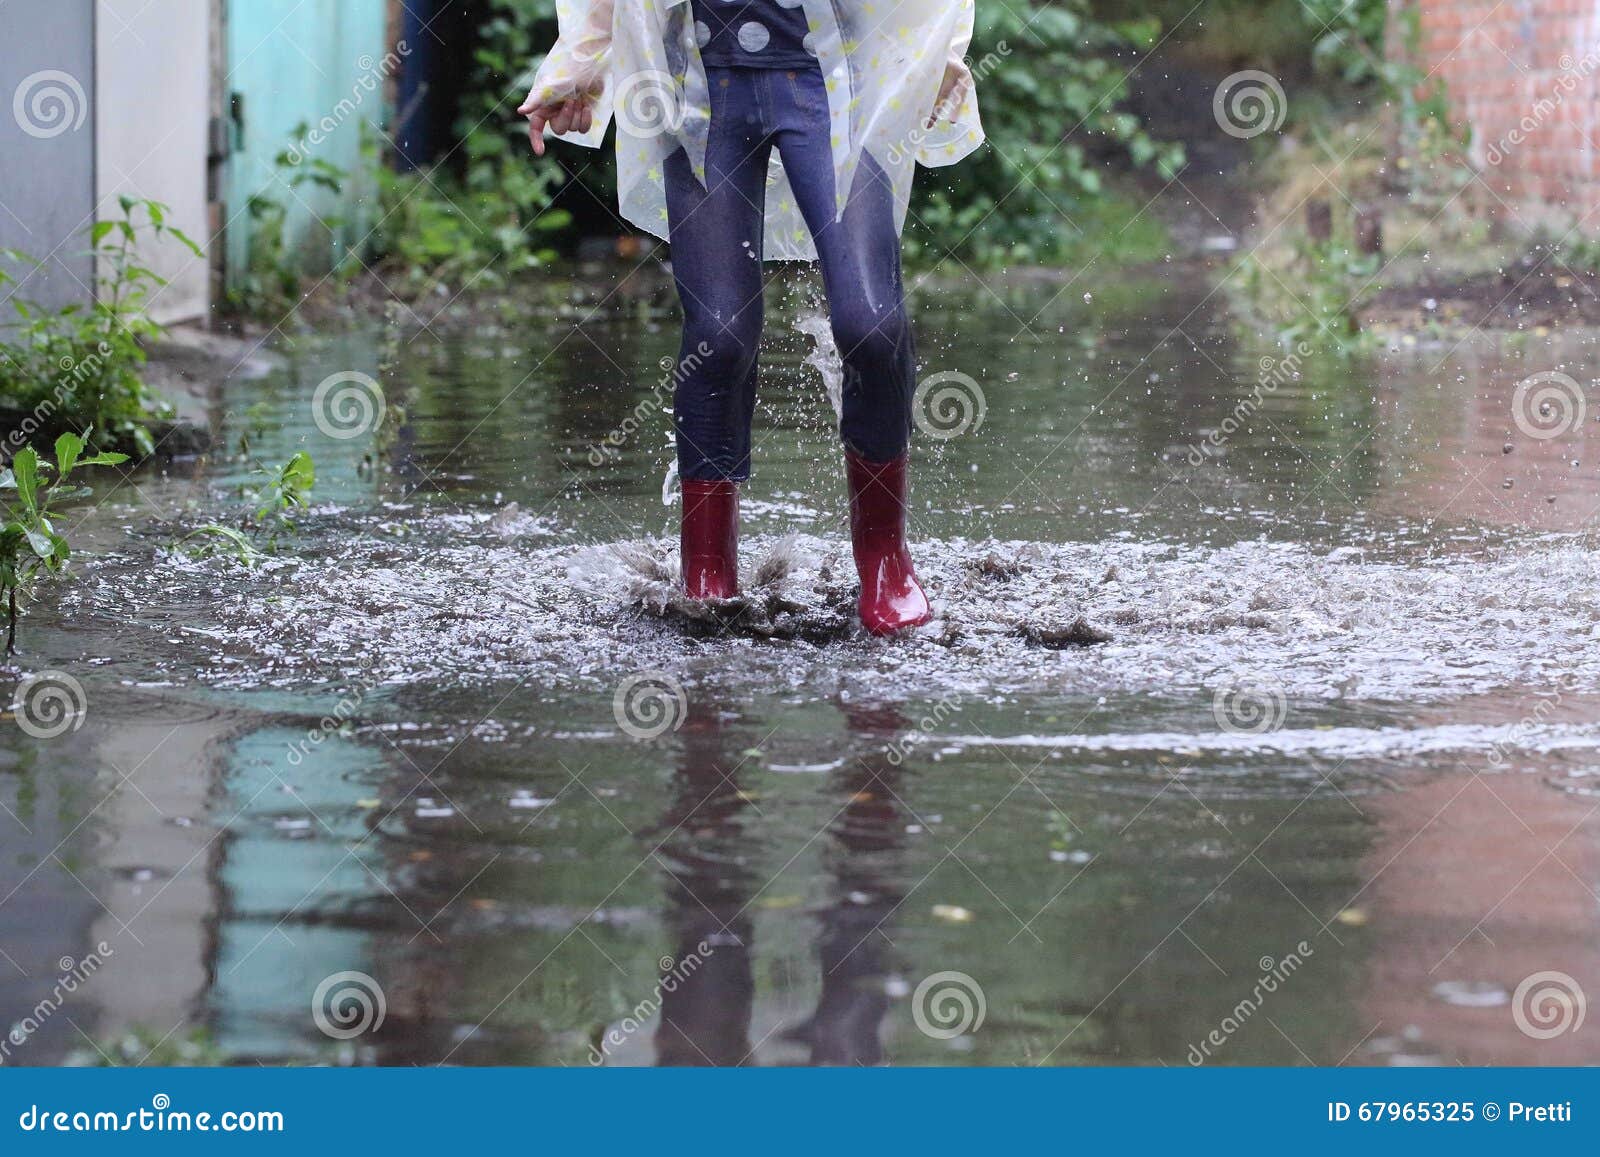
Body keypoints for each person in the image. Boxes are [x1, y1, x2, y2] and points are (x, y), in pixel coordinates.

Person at [519, 1, 984, 634]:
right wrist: (580, 59)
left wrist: (944, 55)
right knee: (718, 336)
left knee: (869, 325)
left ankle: (884, 559)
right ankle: (707, 567)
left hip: (839, 83)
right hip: (700, 83)